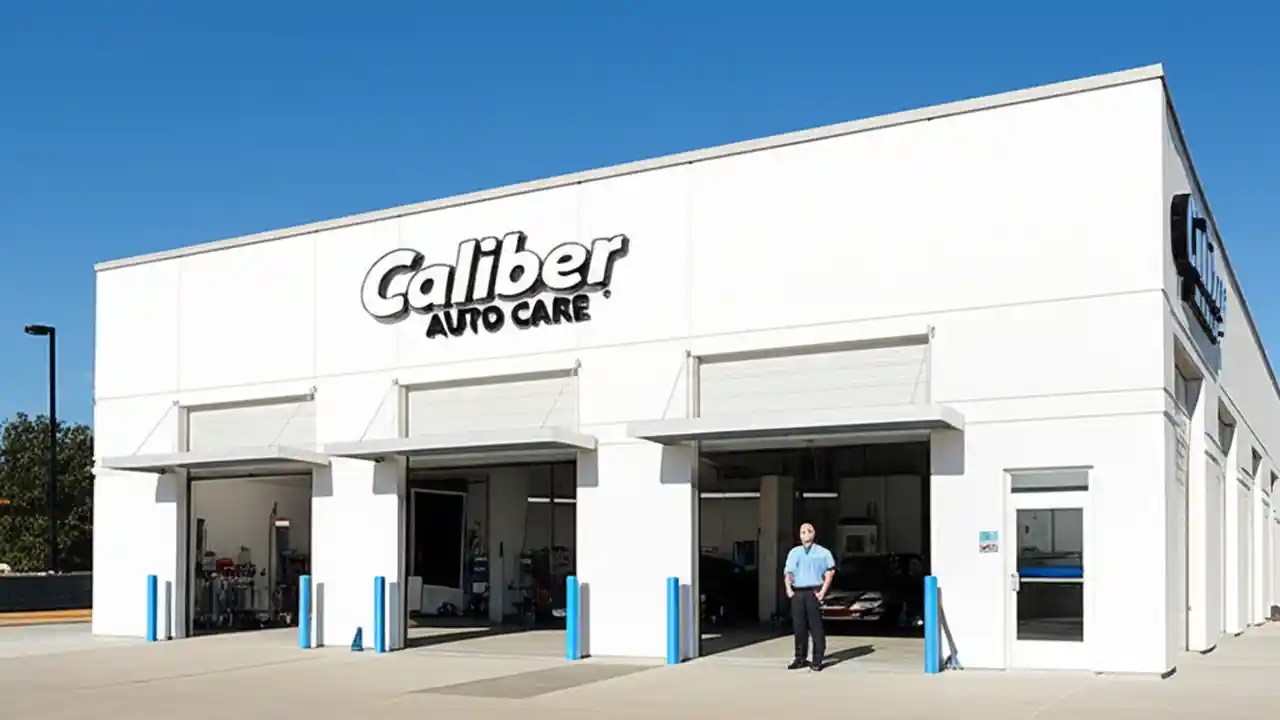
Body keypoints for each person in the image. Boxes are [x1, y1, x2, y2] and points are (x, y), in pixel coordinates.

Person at [783, 522, 835, 671]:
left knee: (815, 627)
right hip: (798, 592)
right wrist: (788, 589)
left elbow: (829, 573)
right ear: (799, 535)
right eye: (803, 531)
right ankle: (800, 658)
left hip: (813, 591)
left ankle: (817, 659)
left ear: (814, 533)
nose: (806, 534)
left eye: (809, 531)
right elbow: (788, 572)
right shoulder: (794, 552)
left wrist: (822, 592)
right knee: (799, 627)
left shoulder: (823, 553)